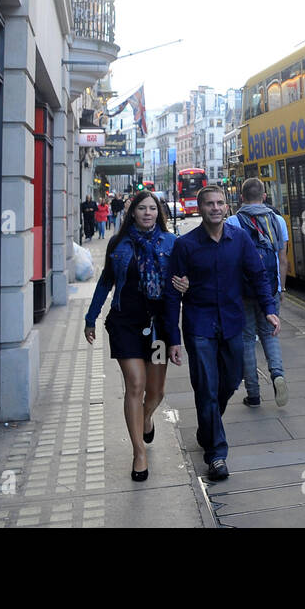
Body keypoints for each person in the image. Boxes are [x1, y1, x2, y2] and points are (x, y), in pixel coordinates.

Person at [165, 186, 278, 482]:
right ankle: (216, 454)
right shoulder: (185, 246)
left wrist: (269, 308)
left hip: (231, 322)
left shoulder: (239, 239)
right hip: (199, 325)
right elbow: (171, 294)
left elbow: (258, 275)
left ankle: (206, 428)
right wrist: (173, 338)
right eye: (209, 204)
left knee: (229, 382)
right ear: (200, 209)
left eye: (220, 203)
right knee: (206, 388)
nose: (215, 208)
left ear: (227, 207)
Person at [83, 190, 175, 481]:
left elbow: (186, 280)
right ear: (132, 212)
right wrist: (91, 318)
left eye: (152, 209)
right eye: (142, 208)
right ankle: (139, 453)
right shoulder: (118, 243)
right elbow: (105, 282)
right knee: (135, 384)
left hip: (158, 328)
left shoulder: (171, 243)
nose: (147, 213)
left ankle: (146, 418)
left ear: (157, 213)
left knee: (156, 391)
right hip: (124, 323)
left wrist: (185, 285)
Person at [225, 177, 289, 407]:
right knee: (270, 334)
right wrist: (280, 287)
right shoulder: (278, 220)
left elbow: (229, 259)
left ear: (241, 197)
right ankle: (278, 375)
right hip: (269, 287)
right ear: (264, 196)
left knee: (246, 339)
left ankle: (253, 394)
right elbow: (282, 258)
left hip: (242, 291)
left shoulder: (232, 220)